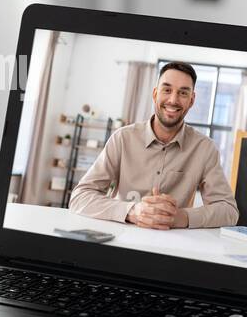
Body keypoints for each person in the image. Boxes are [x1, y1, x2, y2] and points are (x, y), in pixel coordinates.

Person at [68, 62, 238, 229]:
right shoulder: (122, 138)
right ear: (155, 94)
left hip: (172, 246)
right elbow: (80, 197)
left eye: (183, 93)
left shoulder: (205, 149)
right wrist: (132, 211)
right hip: (119, 240)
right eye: (167, 90)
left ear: (192, 100)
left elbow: (229, 211)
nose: (173, 100)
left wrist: (183, 217)